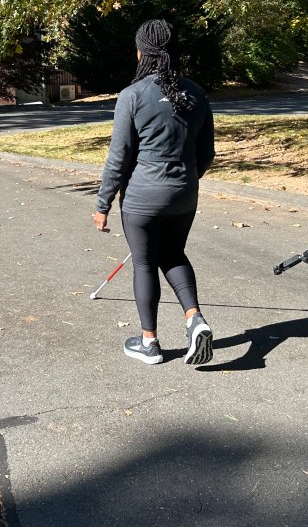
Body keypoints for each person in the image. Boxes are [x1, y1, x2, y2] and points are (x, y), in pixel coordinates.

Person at [93, 19, 216, 366]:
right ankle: (195, 319)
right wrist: (184, 183)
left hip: (142, 199)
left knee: (145, 263)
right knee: (174, 254)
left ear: (140, 52)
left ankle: (150, 344)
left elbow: (119, 157)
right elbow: (206, 153)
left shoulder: (132, 96)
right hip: (183, 195)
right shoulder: (197, 92)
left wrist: (102, 204)